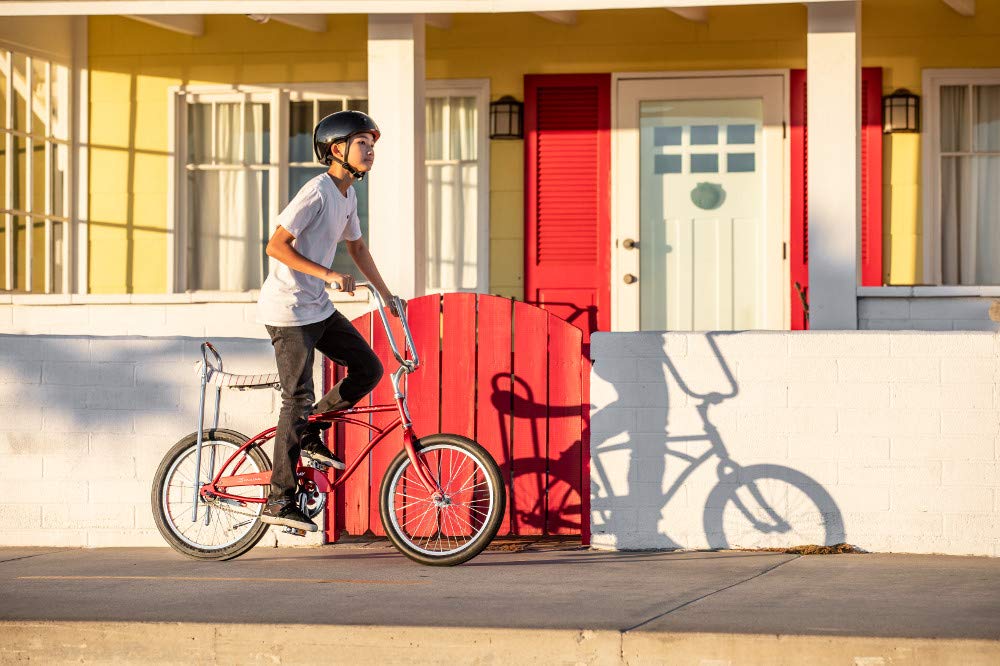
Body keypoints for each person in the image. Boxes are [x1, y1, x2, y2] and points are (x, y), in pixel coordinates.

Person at [255, 110, 402, 532]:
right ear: (337, 150)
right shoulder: (317, 191)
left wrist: (387, 294)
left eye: (372, 143)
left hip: (316, 306)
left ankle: (310, 433)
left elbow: (357, 249)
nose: (371, 150)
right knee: (296, 400)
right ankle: (279, 499)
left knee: (369, 368)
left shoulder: (348, 195)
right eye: (362, 143)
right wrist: (327, 275)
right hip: (288, 310)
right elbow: (276, 245)